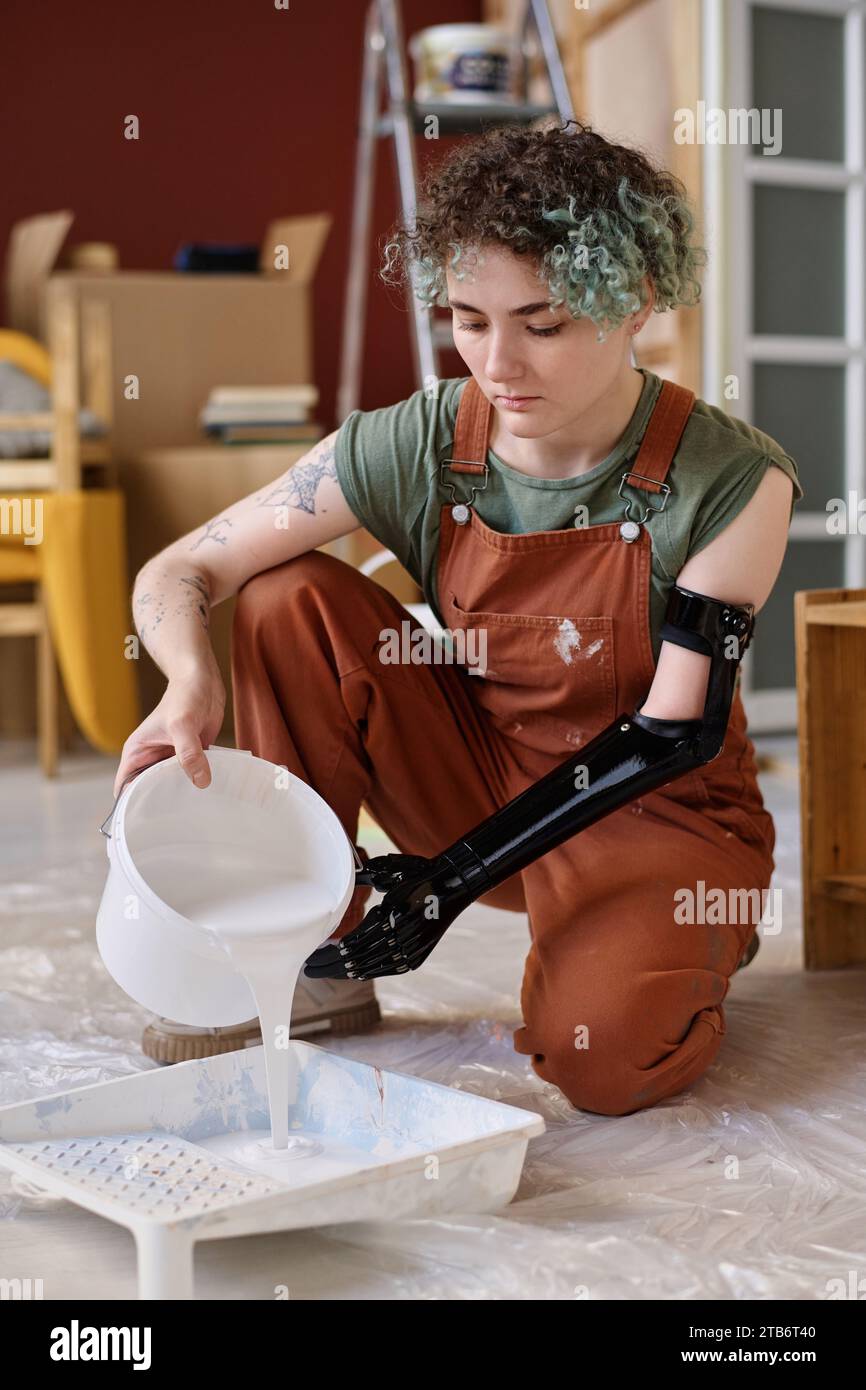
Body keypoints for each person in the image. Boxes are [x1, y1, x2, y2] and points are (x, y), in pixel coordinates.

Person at [115, 120, 803, 1108]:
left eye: (543, 321)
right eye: (466, 318)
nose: (497, 361)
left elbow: (670, 733)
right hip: (479, 772)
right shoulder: (425, 438)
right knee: (285, 597)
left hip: (653, 811)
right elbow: (185, 567)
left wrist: (441, 882)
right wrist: (188, 676)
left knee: (602, 1062)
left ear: (636, 300)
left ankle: (667, 943)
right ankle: (313, 956)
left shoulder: (733, 479)